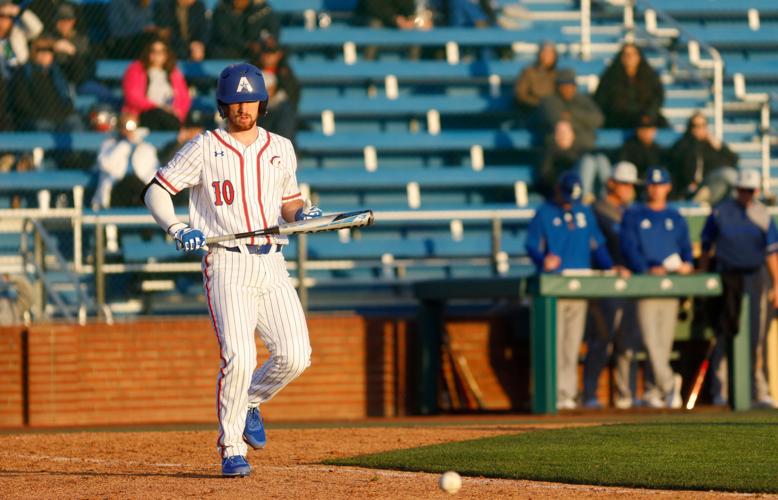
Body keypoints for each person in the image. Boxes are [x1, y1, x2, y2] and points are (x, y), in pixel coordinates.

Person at [142, 63, 322, 477]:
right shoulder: (205, 146)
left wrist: (303, 212)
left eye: (251, 98)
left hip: (272, 261)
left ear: (262, 102)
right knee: (238, 357)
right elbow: (156, 190)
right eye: (236, 100)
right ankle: (231, 447)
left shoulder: (281, 146)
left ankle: (251, 401)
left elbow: (288, 204)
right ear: (224, 104)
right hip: (226, 262)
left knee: (296, 356)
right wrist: (177, 226)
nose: (244, 107)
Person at [525, 171, 614, 410]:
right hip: (554, 285)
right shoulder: (545, 212)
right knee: (553, 342)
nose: (568, 202)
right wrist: (543, 259)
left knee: (572, 343)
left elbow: (598, 245)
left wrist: (611, 267)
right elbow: (531, 244)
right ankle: (550, 393)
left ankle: (568, 392)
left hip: (580, 283)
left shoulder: (584, 212)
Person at [699, 169, 778, 409]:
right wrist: (703, 277)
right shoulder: (721, 212)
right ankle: (720, 389)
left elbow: (772, 253)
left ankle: (758, 390)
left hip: (755, 277)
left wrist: (777, 283)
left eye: (750, 190)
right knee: (725, 332)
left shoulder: (762, 214)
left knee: (756, 336)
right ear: (737, 190)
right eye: (742, 190)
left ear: (755, 191)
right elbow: (706, 246)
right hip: (726, 275)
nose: (746, 194)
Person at [620, 166, 693, 409]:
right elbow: (629, 247)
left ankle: (654, 389)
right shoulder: (634, 215)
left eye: (660, 184)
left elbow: (686, 249)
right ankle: (671, 383)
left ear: (668, 187)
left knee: (663, 342)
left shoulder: (675, 216)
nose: (655, 189)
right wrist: (646, 268)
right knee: (650, 341)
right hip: (647, 284)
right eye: (651, 184)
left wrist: (687, 265)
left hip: (670, 285)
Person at [583, 162, 641, 409]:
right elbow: (595, 246)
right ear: (611, 183)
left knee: (628, 340)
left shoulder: (632, 212)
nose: (628, 189)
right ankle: (589, 393)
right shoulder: (596, 211)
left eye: (630, 184)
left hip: (631, 283)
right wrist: (609, 268)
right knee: (602, 339)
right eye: (624, 183)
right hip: (605, 282)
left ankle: (626, 392)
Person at [538, 68, 608, 201]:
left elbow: (598, 119)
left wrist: (572, 115)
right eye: (564, 85)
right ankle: (583, 197)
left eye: (570, 85)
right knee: (588, 161)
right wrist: (583, 124)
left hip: (583, 152)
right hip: (563, 161)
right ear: (558, 86)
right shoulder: (549, 102)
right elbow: (557, 119)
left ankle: (607, 197)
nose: (567, 89)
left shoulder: (582, 100)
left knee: (601, 160)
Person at [10, 36, 83, 131]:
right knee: (42, 126)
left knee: (76, 122)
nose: (45, 53)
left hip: (63, 116)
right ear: (34, 53)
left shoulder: (59, 71)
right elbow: (21, 102)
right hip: (39, 118)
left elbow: (80, 75)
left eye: (49, 50)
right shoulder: (24, 73)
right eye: (40, 50)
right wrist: (38, 115)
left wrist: (72, 52)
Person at [92, 113, 159, 210]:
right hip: (116, 189)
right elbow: (105, 164)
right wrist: (124, 144)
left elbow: (152, 171)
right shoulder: (109, 145)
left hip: (139, 189)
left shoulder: (146, 147)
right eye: (125, 125)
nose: (128, 130)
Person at [122, 37, 191, 130]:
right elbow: (133, 97)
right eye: (153, 51)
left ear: (167, 54)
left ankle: (179, 131)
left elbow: (184, 98)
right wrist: (158, 106)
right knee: (158, 114)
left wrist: (177, 111)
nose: (157, 55)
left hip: (170, 115)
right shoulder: (136, 69)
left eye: (161, 51)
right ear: (148, 52)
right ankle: (180, 131)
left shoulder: (174, 73)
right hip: (145, 113)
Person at [668, 111, 738, 203]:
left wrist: (720, 147)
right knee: (729, 178)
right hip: (694, 187)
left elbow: (734, 160)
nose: (699, 129)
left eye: (703, 125)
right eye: (695, 126)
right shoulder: (683, 145)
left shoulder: (712, 146)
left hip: (713, 182)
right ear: (690, 127)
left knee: (730, 178)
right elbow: (676, 166)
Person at [594, 42, 667, 129]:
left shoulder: (650, 77)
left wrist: (649, 114)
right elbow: (601, 100)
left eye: (633, 54)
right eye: (626, 54)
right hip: (617, 119)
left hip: (644, 118)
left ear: (639, 57)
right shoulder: (609, 78)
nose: (629, 57)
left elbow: (657, 97)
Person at [209, 0, 280, 59]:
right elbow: (224, 36)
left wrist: (269, 38)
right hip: (228, 50)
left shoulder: (261, 10)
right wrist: (248, 45)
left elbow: (272, 26)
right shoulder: (222, 9)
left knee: (275, 53)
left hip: (255, 50)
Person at [253, 35, 300, 111]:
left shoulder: (284, 73)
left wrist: (275, 92)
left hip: (278, 112)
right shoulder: (251, 70)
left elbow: (293, 97)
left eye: (272, 52)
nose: (268, 56)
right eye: (264, 52)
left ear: (279, 54)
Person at [50, 3, 93, 86]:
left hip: (80, 80)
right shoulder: (52, 38)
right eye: (58, 20)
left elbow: (85, 65)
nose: (61, 24)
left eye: (65, 20)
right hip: (58, 81)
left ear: (72, 22)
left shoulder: (81, 40)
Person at [0, 0, 44, 79]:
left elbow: (37, 28)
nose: (2, 21)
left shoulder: (18, 30)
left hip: (24, 69)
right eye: (1, 16)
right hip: (7, 77)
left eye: (7, 16)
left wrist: (19, 11)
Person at [615, 112, 666, 176]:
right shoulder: (628, 148)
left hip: (652, 184)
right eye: (642, 128)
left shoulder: (658, 150)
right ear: (637, 130)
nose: (646, 132)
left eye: (649, 129)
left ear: (655, 130)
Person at [514, 41, 557, 113]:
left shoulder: (558, 75)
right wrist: (538, 104)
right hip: (532, 111)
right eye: (544, 52)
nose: (547, 56)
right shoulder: (528, 72)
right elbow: (520, 95)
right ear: (539, 54)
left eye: (550, 53)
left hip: (552, 112)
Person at [260, 71, 297, 141]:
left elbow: (285, 135)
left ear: (273, 88)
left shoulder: (284, 108)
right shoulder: (257, 107)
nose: (264, 93)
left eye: (268, 89)